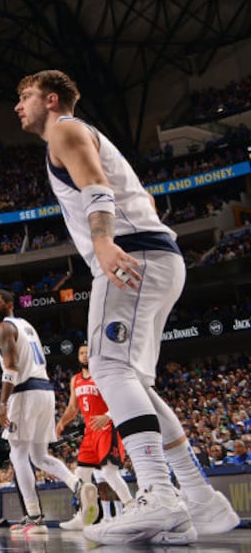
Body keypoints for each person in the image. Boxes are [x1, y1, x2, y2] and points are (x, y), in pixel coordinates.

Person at [15, 69, 241, 543]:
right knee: (133, 382)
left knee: (108, 368)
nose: (18, 106)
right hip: (155, 255)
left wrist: (102, 242)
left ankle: (159, 495)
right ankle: (200, 498)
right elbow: (139, 196)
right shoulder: (79, 135)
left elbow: (97, 188)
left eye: (25, 96)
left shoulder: (65, 130)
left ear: (51, 99)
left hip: (131, 255)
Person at [0, 289, 88, 536]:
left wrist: (2, 404)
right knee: (40, 456)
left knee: (18, 454)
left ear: (9, 305)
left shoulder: (3, 327)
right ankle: (78, 485)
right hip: (45, 390)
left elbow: (11, 367)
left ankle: (34, 517)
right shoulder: (27, 326)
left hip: (25, 393)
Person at [55, 343, 133, 529]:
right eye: (81, 353)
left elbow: (120, 398)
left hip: (107, 427)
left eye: (87, 353)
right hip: (90, 431)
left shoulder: (104, 375)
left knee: (109, 472)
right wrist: (61, 422)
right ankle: (83, 516)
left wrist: (108, 415)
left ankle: (132, 507)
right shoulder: (75, 380)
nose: (84, 355)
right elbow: (73, 408)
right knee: (81, 474)